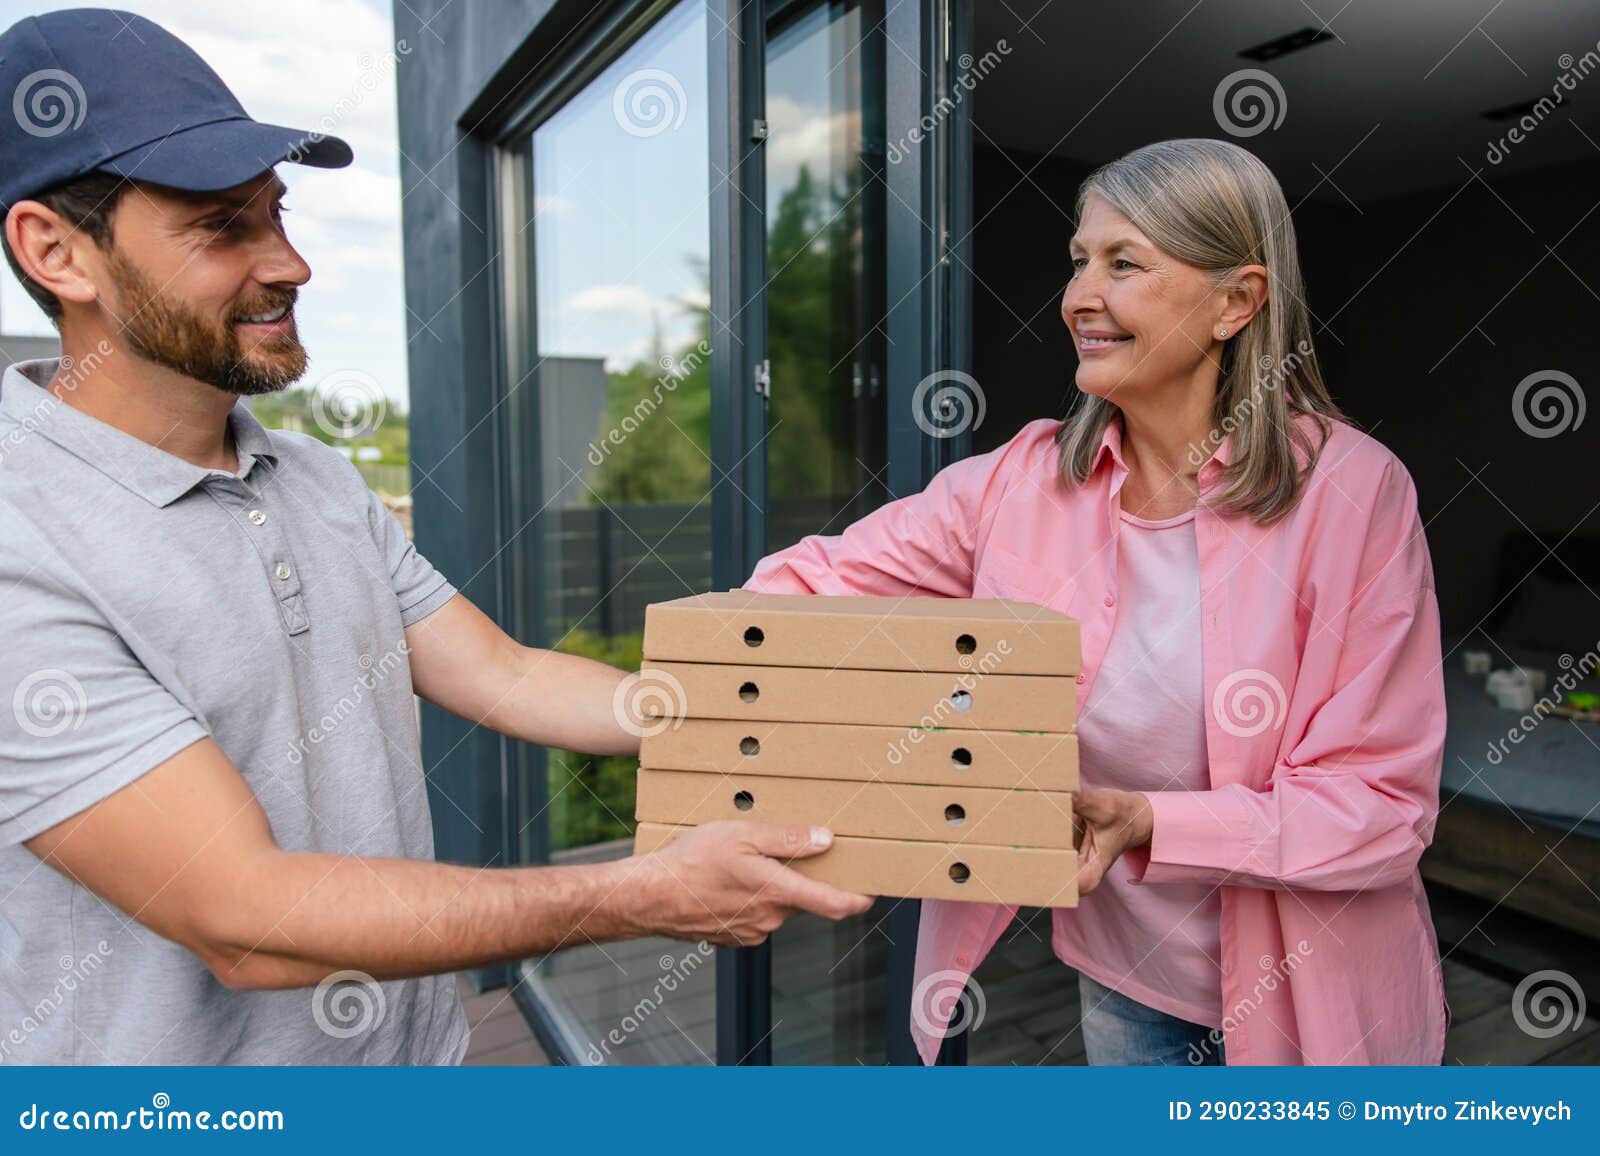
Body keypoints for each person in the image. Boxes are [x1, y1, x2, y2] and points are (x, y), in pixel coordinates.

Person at [0, 9, 870, 1066]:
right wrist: (646, 893)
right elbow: (242, 914)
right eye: (225, 227)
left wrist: (752, 710)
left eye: (279, 215)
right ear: (57, 252)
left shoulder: (309, 474)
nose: (292, 264)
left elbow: (501, 674)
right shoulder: (23, 539)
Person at [744, 138, 1448, 1065]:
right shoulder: (1018, 484)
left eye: (1125, 263)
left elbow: (1383, 805)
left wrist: (1153, 822)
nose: (1080, 295)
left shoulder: (1353, 493)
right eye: (1079, 261)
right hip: (1126, 979)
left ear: (1237, 301)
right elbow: (791, 594)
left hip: (1321, 995)